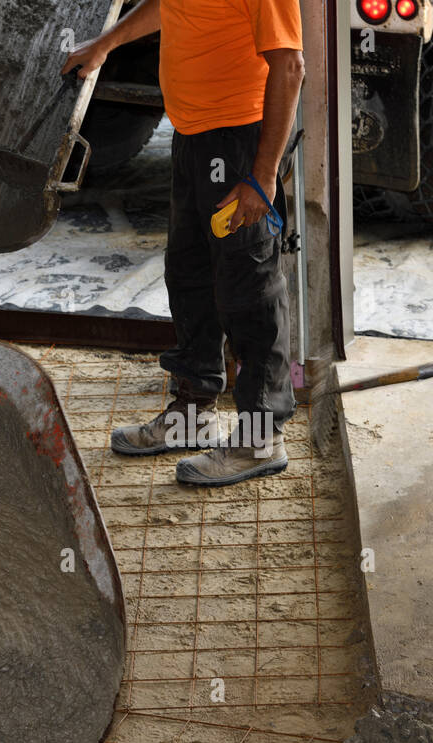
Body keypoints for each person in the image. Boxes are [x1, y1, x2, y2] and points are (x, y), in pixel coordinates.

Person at [62, 0, 304, 486]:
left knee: (248, 288)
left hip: (238, 139)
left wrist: (262, 176)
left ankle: (261, 437)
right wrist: (106, 44)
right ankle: (193, 412)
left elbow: (289, 66)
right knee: (189, 276)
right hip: (192, 135)